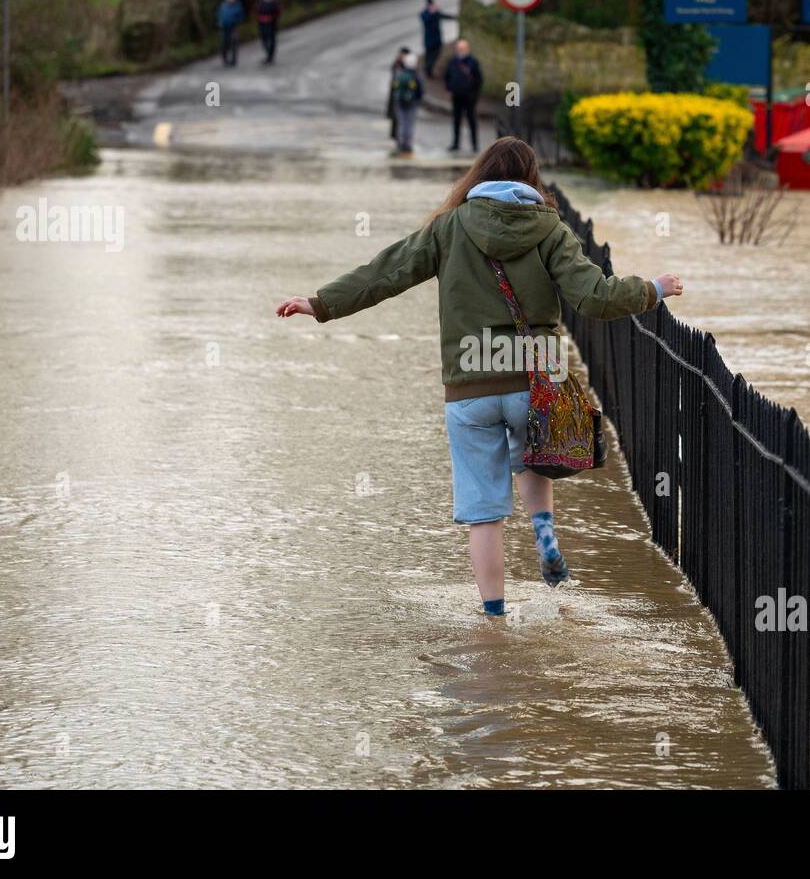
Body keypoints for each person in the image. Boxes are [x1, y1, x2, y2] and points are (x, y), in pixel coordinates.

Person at [275, 137, 684, 618]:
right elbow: (593, 296)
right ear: (531, 180)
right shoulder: (550, 229)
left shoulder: (449, 227)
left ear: (479, 175)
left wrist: (320, 303)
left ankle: (493, 619)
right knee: (535, 451)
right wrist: (652, 289)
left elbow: (386, 273)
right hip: (537, 380)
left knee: (484, 513)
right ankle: (545, 531)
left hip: (470, 385)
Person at [445, 39, 482, 153]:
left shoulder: (473, 62)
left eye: (462, 48)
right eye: (459, 48)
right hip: (457, 95)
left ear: (467, 49)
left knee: (471, 120)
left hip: (469, 96)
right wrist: (449, 89)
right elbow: (448, 76)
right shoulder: (453, 61)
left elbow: (478, 79)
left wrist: (474, 94)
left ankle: (475, 144)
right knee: (456, 120)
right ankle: (456, 143)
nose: (460, 51)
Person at [392, 53, 423, 156]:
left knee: (402, 123)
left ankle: (401, 143)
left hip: (399, 102)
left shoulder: (399, 74)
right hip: (412, 103)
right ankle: (407, 144)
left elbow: (394, 87)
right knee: (409, 124)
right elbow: (420, 90)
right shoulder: (415, 76)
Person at [419, 0, 455, 79]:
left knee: (436, 54)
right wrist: (432, 12)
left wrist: (455, 17)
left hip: (437, 39)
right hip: (428, 40)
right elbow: (426, 19)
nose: (433, 6)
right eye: (431, 4)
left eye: (433, 4)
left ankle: (428, 71)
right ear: (428, 5)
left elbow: (444, 16)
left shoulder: (436, 13)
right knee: (429, 56)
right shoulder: (424, 14)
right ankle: (427, 71)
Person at [387, 47, 410, 141]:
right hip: (396, 93)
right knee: (395, 115)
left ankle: (400, 134)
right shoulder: (396, 65)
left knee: (402, 116)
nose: (401, 56)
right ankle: (394, 134)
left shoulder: (407, 66)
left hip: (404, 94)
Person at [217, 0, 244, 67]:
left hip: (233, 27)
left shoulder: (237, 5)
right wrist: (220, 22)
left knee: (234, 42)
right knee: (224, 44)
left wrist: (236, 21)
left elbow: (241, 16)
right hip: (224, 27)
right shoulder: (223, 4)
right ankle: (225, 60)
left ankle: (234, 60)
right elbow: (219, 14)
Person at [256, 0, 280, 64]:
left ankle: (270, 56)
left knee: (272, 40)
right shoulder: (261, 0)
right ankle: (268, 54)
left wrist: (273, 18)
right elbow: (257, 10)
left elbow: (278, 12)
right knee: (263, 39)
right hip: (262, 23)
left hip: (271, 23)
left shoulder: (275, 1)